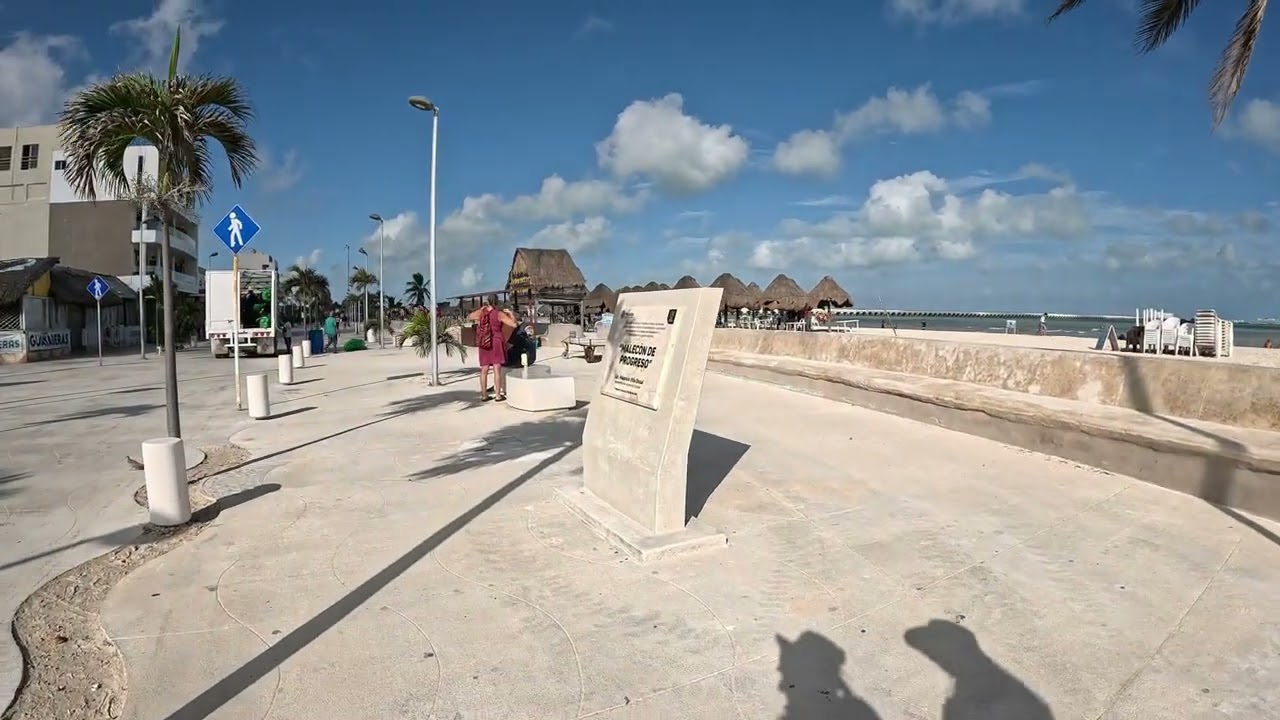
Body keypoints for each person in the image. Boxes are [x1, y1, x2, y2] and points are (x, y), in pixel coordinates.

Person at [468, 295, 517, 401]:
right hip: (496, 341)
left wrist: (480, 309)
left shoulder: (482, 312)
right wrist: (511, 314)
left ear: (487, 302)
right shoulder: (499, 314)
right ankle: (498, 395)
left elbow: (470, 317)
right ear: (496, 302)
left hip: (484, 342)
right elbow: (514, 325)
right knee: (496, 368)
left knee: (484, 369)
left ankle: (484, 395)